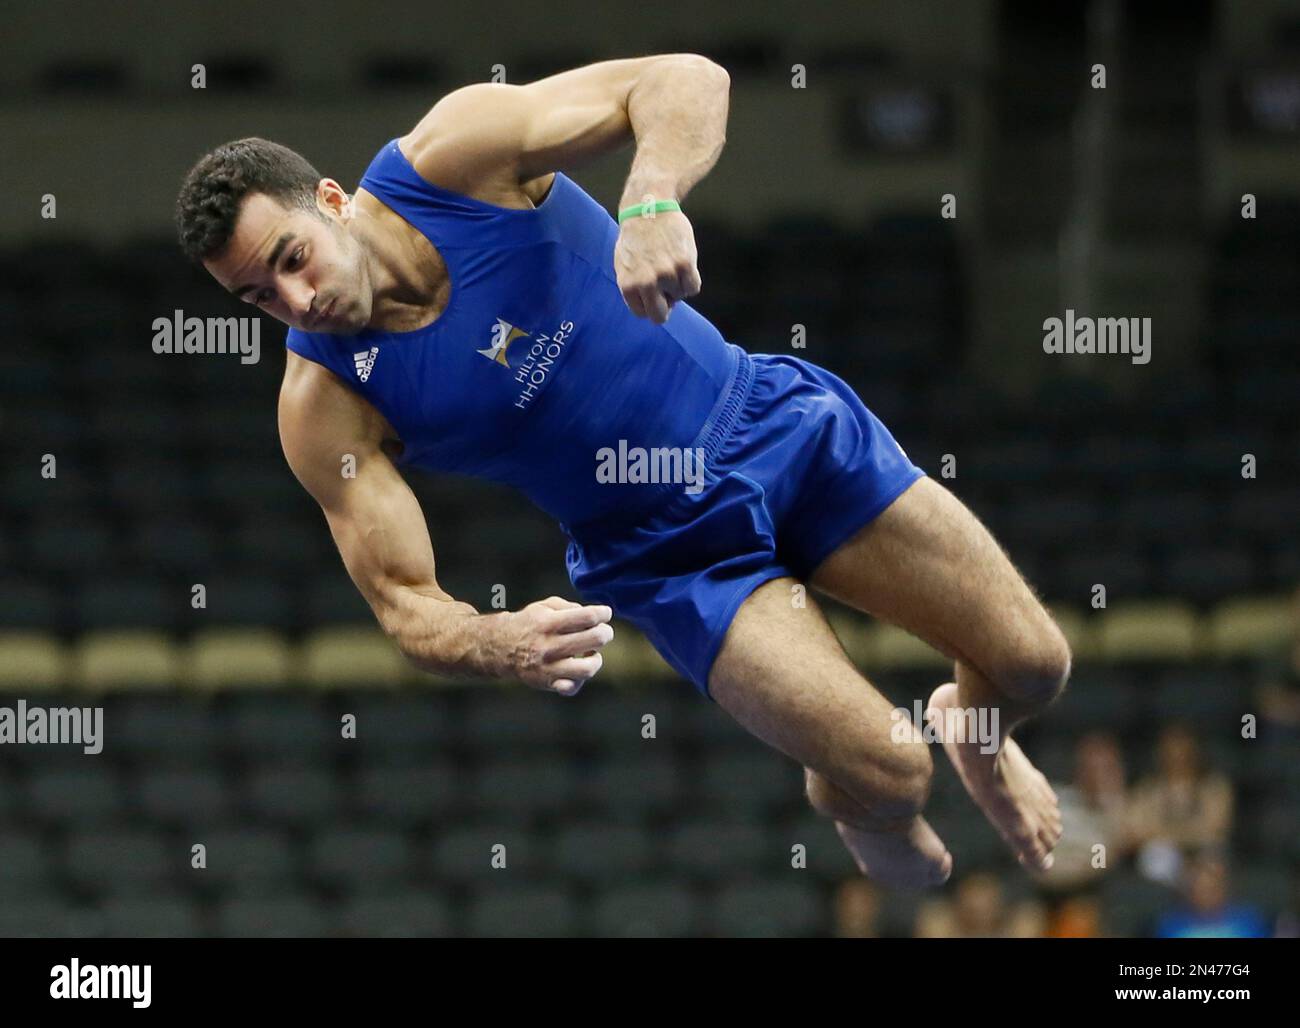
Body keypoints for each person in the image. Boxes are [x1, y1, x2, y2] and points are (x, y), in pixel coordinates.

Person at [174, 54, 1070, 887]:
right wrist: (501, 643)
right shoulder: (324, 404)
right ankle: (860, 802)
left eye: (292, 259)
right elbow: (404, 601)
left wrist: (650, 202)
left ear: (329, 199)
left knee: (1033, 666)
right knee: (893, 773)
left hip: (774, 426)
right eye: (258, 298)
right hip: (667, 556)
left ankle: (979, 736)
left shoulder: (452, 158)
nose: (297, 301)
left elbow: (682, 79)